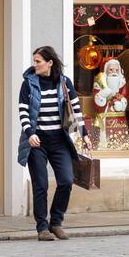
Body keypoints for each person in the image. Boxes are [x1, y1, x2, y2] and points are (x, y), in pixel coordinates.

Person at [18, 46, 90, 241]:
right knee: (40, 184)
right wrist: (30, 133)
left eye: (38, 61)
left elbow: (75, 109)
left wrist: (84, 133)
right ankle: (42, 227)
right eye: (34, 61)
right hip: (37, 141)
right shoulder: (29, 84)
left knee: (66, 181)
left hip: (59, 140)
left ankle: (56, 222)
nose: (35, 65)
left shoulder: (64, 83)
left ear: (49, 63)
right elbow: (23, 111)